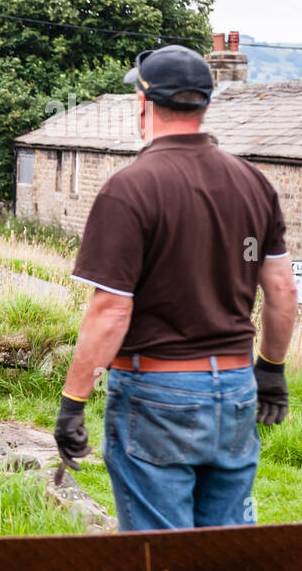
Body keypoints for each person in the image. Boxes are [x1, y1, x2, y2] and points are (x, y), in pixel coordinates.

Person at [53, 45, 297, 532]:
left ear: (142, 104)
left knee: (158, 561)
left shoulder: (130, 188)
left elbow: (111, 313)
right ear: (204, 105)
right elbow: (283, 292)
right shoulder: (254, 184)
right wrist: (270, 370)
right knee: (224, 555)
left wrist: (72, 403)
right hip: (235, 390)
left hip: (157, 391)